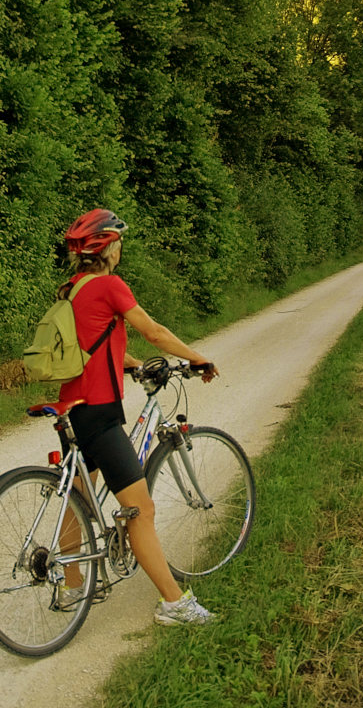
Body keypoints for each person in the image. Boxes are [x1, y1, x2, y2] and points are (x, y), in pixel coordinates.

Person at [50, 208, 221, 626]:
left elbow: (88, 348)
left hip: (71, 411)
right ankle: (174, 603)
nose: (120, 248)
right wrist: (198, 358)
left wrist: (132, 365)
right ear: (106, 247)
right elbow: (155, 331)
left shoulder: (71, 290)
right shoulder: (110, 285)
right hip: (100, 416)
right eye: (118, 241)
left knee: (77, 501)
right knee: (140, 511)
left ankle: (72, 586)